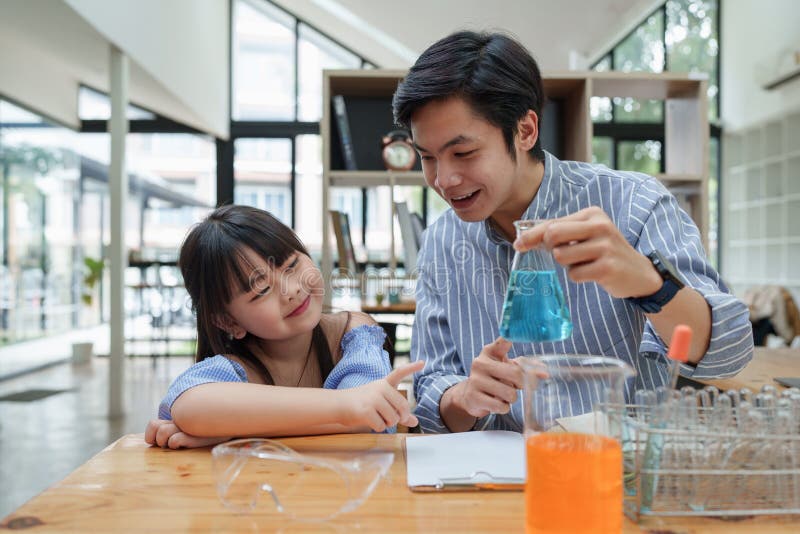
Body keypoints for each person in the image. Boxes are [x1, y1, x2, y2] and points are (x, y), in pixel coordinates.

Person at [392, 30, 753, 433]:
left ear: (525, 130)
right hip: (497, 482)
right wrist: (463, 397)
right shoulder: (443, 240)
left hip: (620, 474)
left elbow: (730, 352)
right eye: (428, 158)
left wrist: (650, 284)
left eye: (463, 153)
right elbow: (428, 392)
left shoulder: (633, 203)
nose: (444, 180)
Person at [145, 205, 421, 449]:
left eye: (291, 266)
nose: (291, 290)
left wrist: (233, 430)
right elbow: (191, 407)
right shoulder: (234, 369)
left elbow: (365, 420)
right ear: (229, 321)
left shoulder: (351, 331)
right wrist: (346, 406)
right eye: (262, 290)